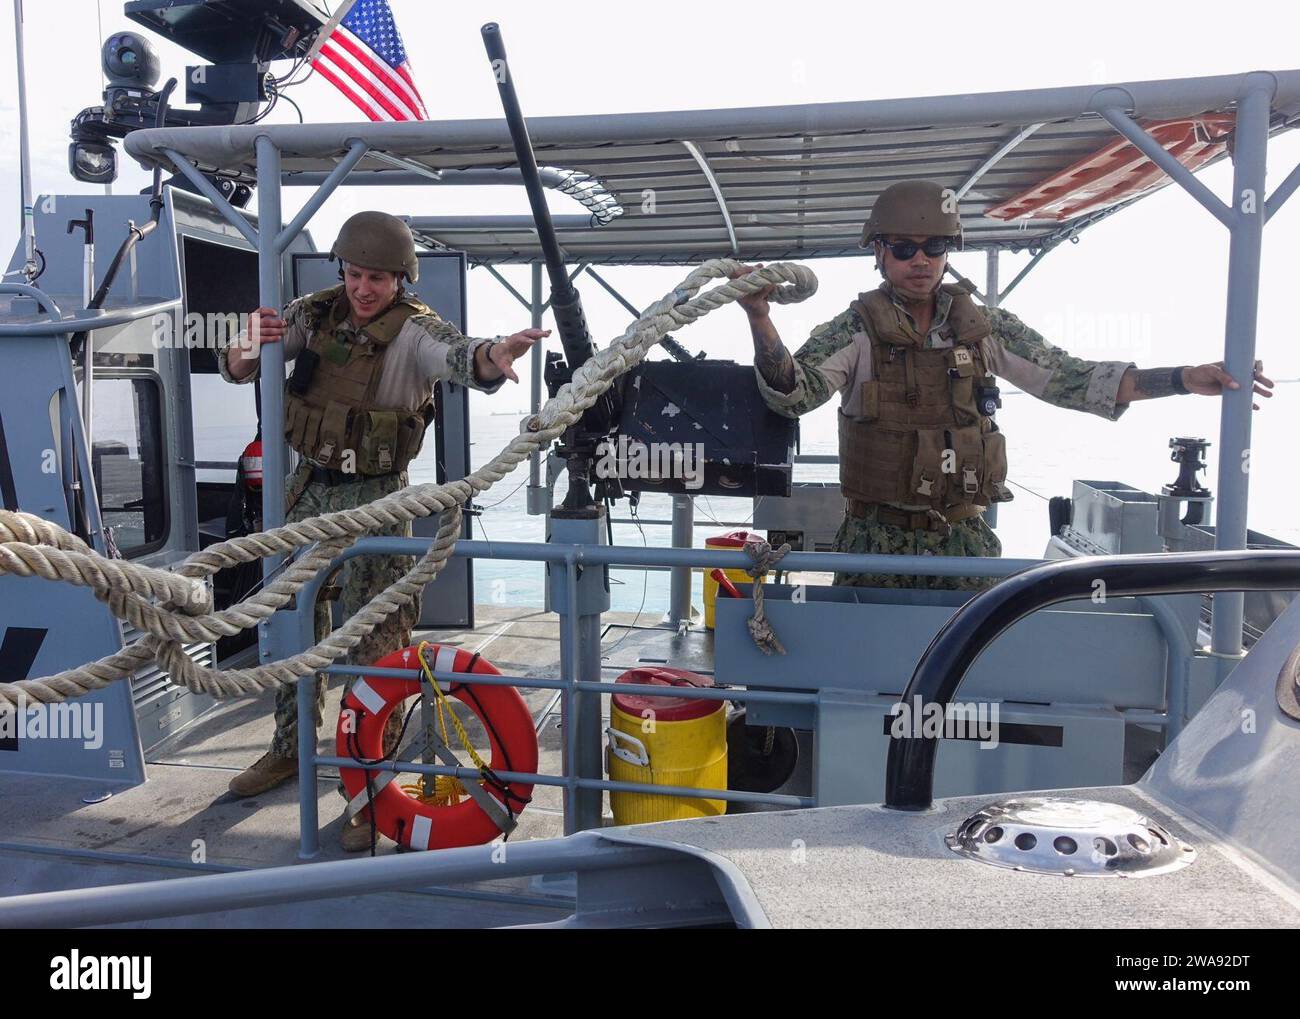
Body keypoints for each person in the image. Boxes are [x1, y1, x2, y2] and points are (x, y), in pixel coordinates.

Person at [735, 180, 1273, 589]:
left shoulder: (984, 328)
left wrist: (1184, 379)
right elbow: (796, 393)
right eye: (903, 247)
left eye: (934, 246)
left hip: (964, 543)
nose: (920, 260)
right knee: (863, 679)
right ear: (878, 252)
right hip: (872, 545)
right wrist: (760, 318)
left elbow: (1074, 381)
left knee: (970, 680)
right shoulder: (854, 331)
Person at [219, 211, 547, 850]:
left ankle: (369, 786)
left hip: (378, 501)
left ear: (401, 279)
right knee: (292, 629)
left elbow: (460, 357)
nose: (364, 288)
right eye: (355, 274)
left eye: (378, 278)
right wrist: (243, 347)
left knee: (376, 643)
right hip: (308, 492)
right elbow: (242, 366)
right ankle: (288, 748)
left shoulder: (415, 330)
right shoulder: (313, 314)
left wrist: (494, 356)